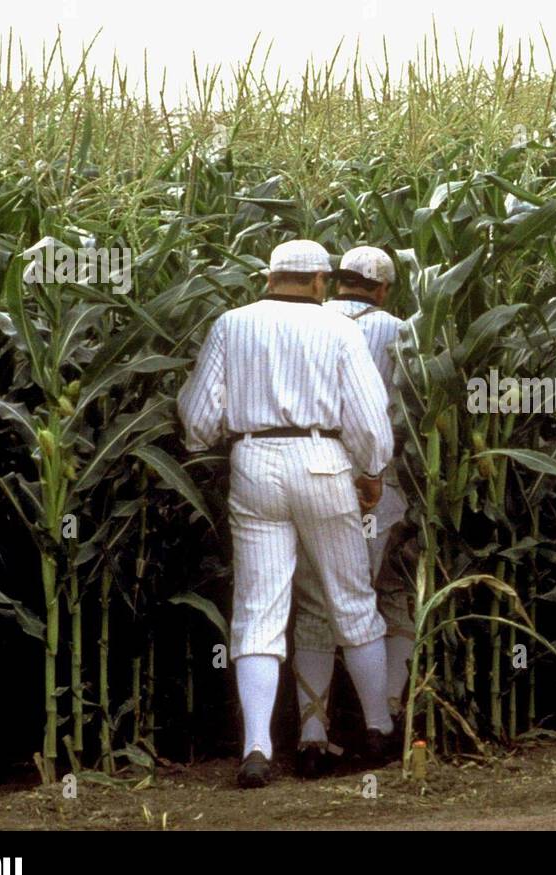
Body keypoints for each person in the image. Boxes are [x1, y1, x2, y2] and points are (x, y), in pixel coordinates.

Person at [177, 239, 396, 788]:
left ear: (269, 277)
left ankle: (256, 749)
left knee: (258, 606)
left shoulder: (232, 323)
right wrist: (370, 470)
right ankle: (377, 729)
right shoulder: (340, 330)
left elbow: (199, 416)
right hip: (324, 459)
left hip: (254, 460)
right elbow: (369, 420)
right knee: (350, 597)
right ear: (321, 281)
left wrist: (214, 436)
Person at [291, 245, 414, 778]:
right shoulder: (399, 332)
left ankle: (313, 734)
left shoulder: (301, 323)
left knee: (318, 608)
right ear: (382, 289)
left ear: (334, 281)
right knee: (388, 596)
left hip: (310, 478)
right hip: (378, 489)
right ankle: (382, 719)